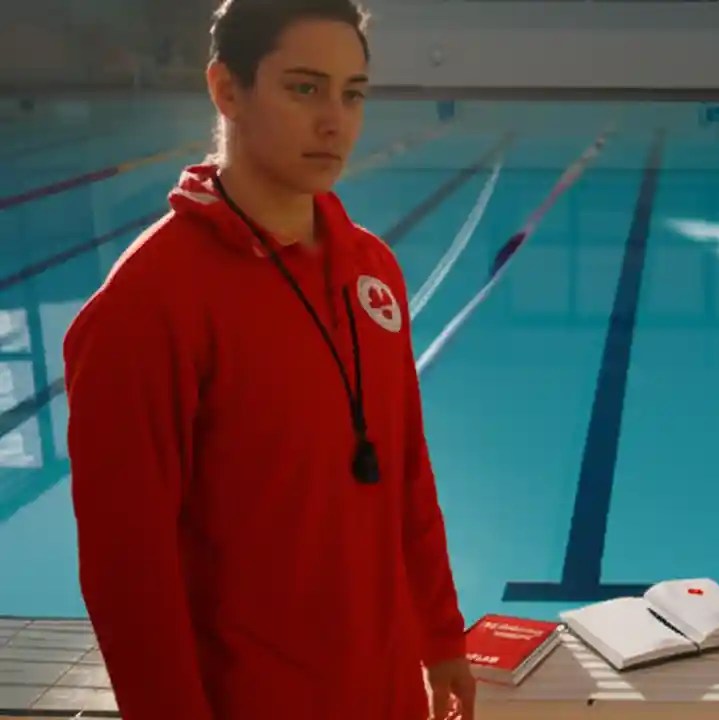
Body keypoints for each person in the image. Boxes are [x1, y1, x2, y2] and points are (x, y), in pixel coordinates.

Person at [61, 1, 476, 718]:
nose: (335, 121)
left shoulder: (371, 269)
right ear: (227, 90)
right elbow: (129, 571)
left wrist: (440, 637)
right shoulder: (148, 303)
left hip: (385, 696)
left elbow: (406, 472)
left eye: (352, 94)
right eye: (304, 88)